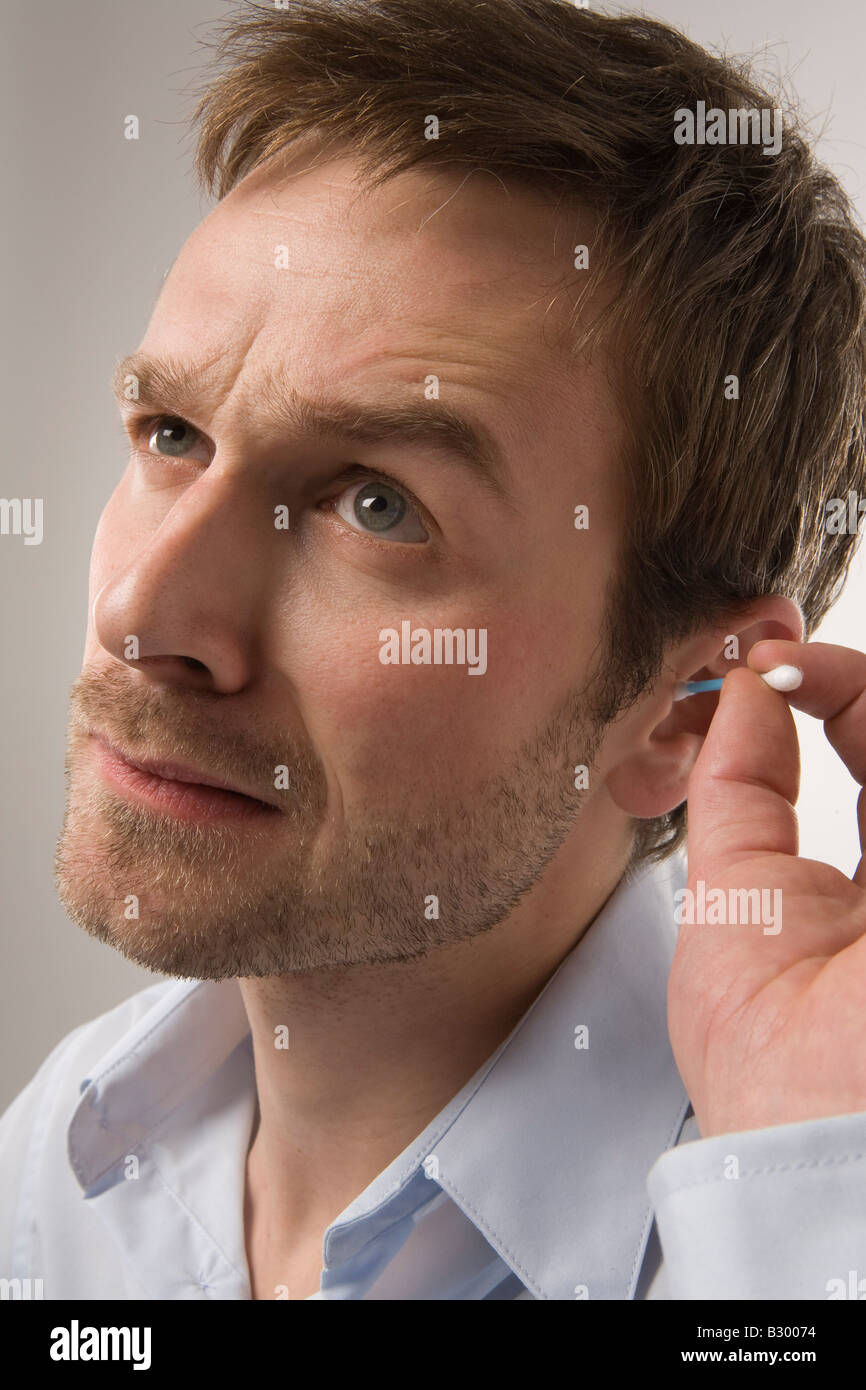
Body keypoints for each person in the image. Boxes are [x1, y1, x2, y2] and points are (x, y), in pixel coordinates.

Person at [2, 0, 865, 1301]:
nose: (144, 613)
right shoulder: (65, 1152)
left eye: (376, 505)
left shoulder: (797, 1237)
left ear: (683, 709)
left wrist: (809, 1215)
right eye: (174, 433)